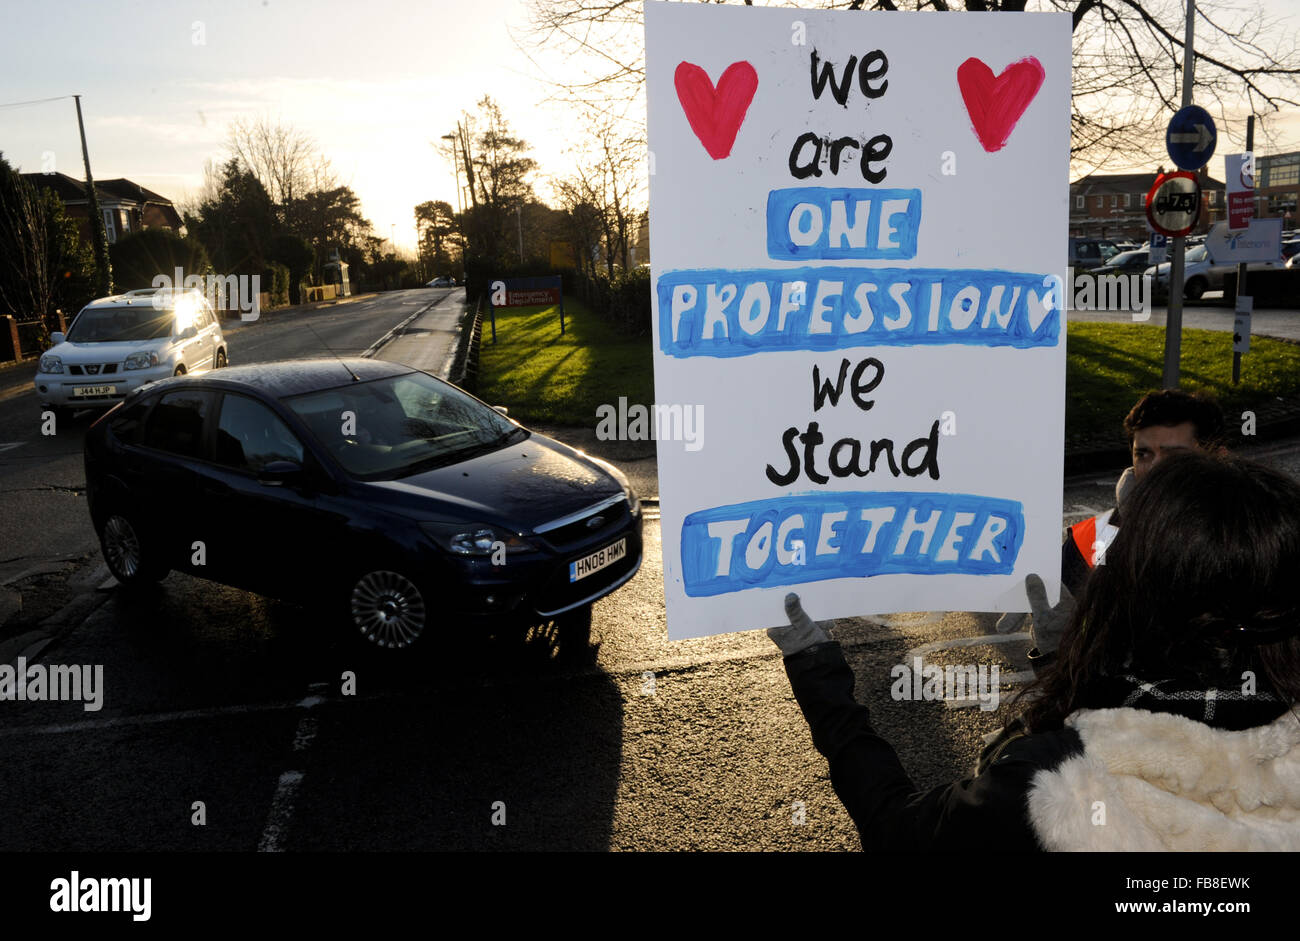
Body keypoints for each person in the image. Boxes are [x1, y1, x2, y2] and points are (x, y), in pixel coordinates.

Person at [769, 452, 1300, 851]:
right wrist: (1066, 663)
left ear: (1129, 597)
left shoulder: (1054, 786)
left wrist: (817, 670)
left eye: (1114, 555)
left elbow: (896, 829)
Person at [1000, 389, 1226, 673]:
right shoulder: (1091, 542)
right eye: (1143, 454)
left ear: (1217, 457)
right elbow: (1063, 692)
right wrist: (1058, 651)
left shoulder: (1261, 534)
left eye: (1174, 455)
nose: (1155, 467)